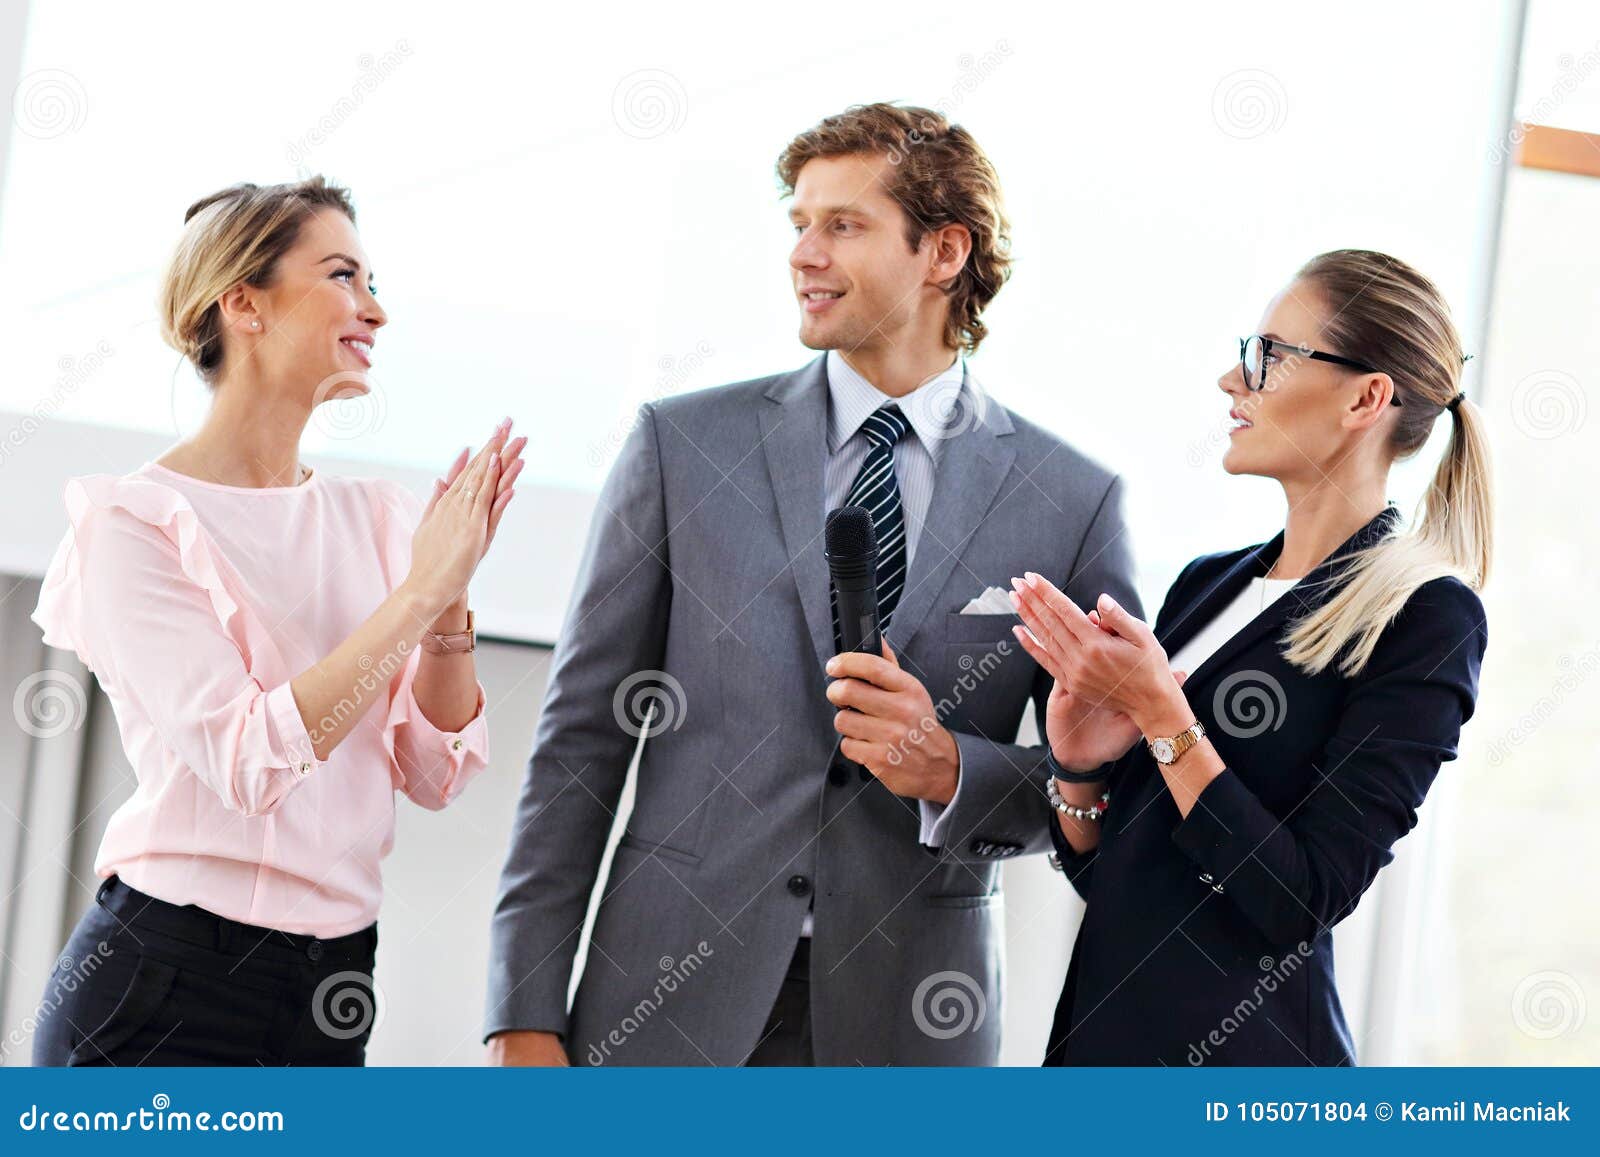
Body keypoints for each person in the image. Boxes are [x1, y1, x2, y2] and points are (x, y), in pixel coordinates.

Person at [484, 103, 1139, 1066]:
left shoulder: (1074, 500)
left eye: (843, 224)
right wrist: (522, 1010)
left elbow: (1103, 786)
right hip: (660, 1009)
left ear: (944, 252)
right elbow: (580, 741)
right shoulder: (680, 445)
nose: (803, 252)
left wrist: (952, 768)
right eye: (798, 223)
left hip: (912, 1029)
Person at [30, 176, 521, 1066]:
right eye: (343, 276)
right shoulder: (133, 522)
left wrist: (448, 600)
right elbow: (252, 761)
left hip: (330, 987)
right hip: (165, 978)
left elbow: (432, 770)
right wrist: (416, 593)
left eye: (375, 284)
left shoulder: (375, 517)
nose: (373, 310)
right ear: (243, 303)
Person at [1010, 249, 1492, 1065]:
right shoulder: (1208, 583)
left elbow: (1298, 900)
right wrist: (1081, 767)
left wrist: (1167, 716)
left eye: (1267, 355)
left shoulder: (1427, 616)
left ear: (1366, 397)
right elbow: (1121, 884)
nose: (1231, 382)